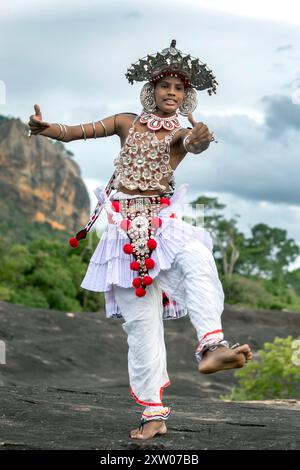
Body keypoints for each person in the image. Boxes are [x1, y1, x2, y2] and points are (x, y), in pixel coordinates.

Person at [28, 40, 253, 441]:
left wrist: (198, 139)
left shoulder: (180, 133)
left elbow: (191, 145)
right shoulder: (125, 122)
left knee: (199, 258)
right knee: (142, 325)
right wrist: (47, 130)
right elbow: (76, 133)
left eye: (179, 88)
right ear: (151, 90)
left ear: (187, 97)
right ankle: (153, 413)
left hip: (163, 225)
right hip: (122, 235)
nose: (172, 92)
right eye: (164, 85)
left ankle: (211, 347)